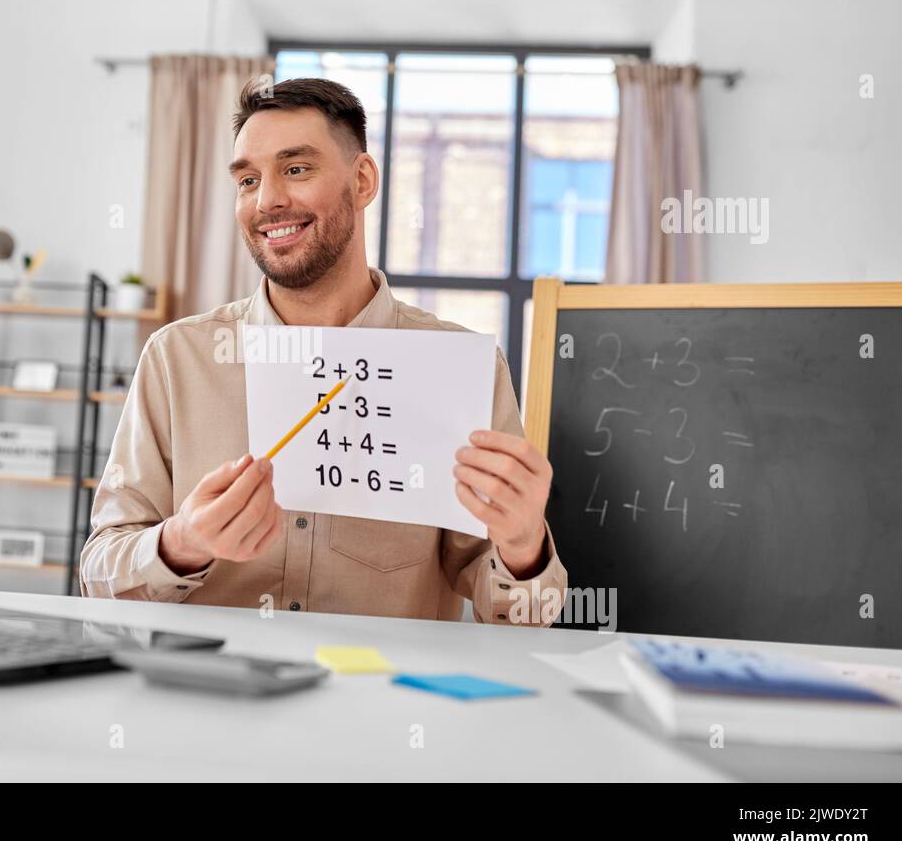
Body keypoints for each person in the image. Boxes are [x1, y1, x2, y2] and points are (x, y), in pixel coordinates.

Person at [80, 78, 566, 625]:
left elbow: (527, 617)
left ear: (362, 181)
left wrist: (525, 547)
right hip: (211, 696)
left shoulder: (457, 368)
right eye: (247, 179)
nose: (267, 201)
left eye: (296, 169)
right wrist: (181, 542)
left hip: (383, 702)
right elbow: (99, 575)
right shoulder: (177, 359)